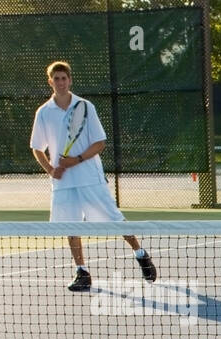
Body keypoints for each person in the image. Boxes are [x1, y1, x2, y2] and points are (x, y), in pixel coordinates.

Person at [29, 61, 156, 292]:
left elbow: (99, 143)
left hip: (90, 177)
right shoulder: (44, 112)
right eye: (56, 79)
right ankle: (82, 272)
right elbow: (37, 147)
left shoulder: (86, 107)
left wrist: (75, 160)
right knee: (71, 227)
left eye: (64, 78)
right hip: (63, 183)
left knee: (115, 220)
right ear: (50, 82)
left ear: (70, 80)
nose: (60, 82)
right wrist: (50, 169)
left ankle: (140, 253)